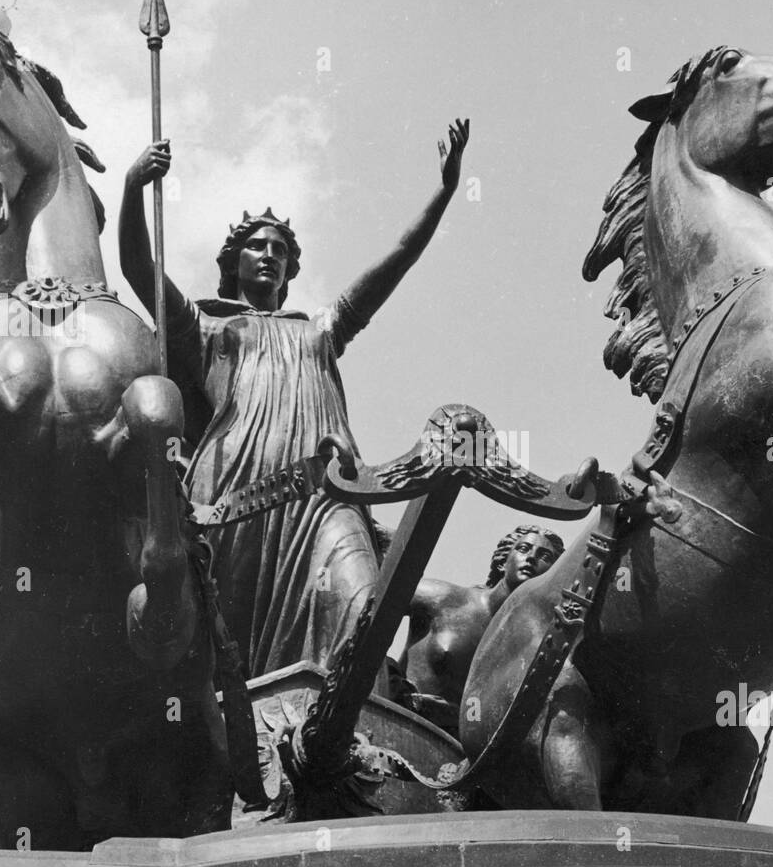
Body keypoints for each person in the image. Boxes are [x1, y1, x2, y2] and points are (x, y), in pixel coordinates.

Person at [118, 120, 470, 684]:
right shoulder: (209, 331)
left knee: (361, 613)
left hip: (325, 494)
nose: (268, 255)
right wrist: (133, 188)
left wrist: (443, 194)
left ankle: (357, 746)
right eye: (256, 247)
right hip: (235, 499)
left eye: (279, 250)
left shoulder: (322, 332)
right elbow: (141, 272)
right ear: (234, 262)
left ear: (290, 269)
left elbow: (397, 260)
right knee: (227, 658)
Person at [398, 525, 564, 733]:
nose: (531, 558)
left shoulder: (531, 647)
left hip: (455, 752)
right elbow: (373, 600)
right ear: (503, 561)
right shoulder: (443, 598)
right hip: (396, 719)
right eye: (523, 549)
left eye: (545, 556)